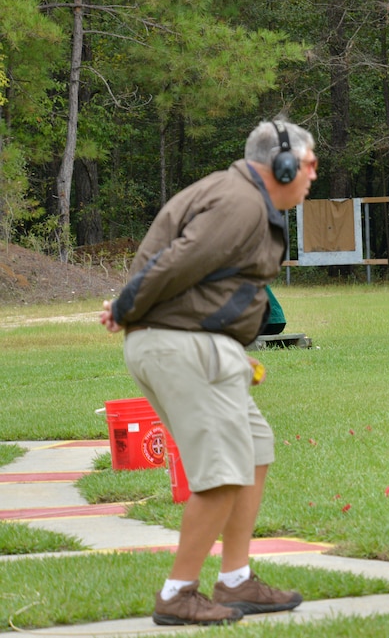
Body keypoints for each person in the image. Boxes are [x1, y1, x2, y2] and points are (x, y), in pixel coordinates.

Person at [100, 119, 318, 626]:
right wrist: (127, 306)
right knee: (222, 473)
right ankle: (178, 593)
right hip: (180, 344)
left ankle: (236, 579)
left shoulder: (238, 196)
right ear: (283, 165)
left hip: (195, 342)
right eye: (309, 165)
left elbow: (202, 277)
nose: (313, 175)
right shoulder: (241, 202)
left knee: (255, 448)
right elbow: (180, 261)